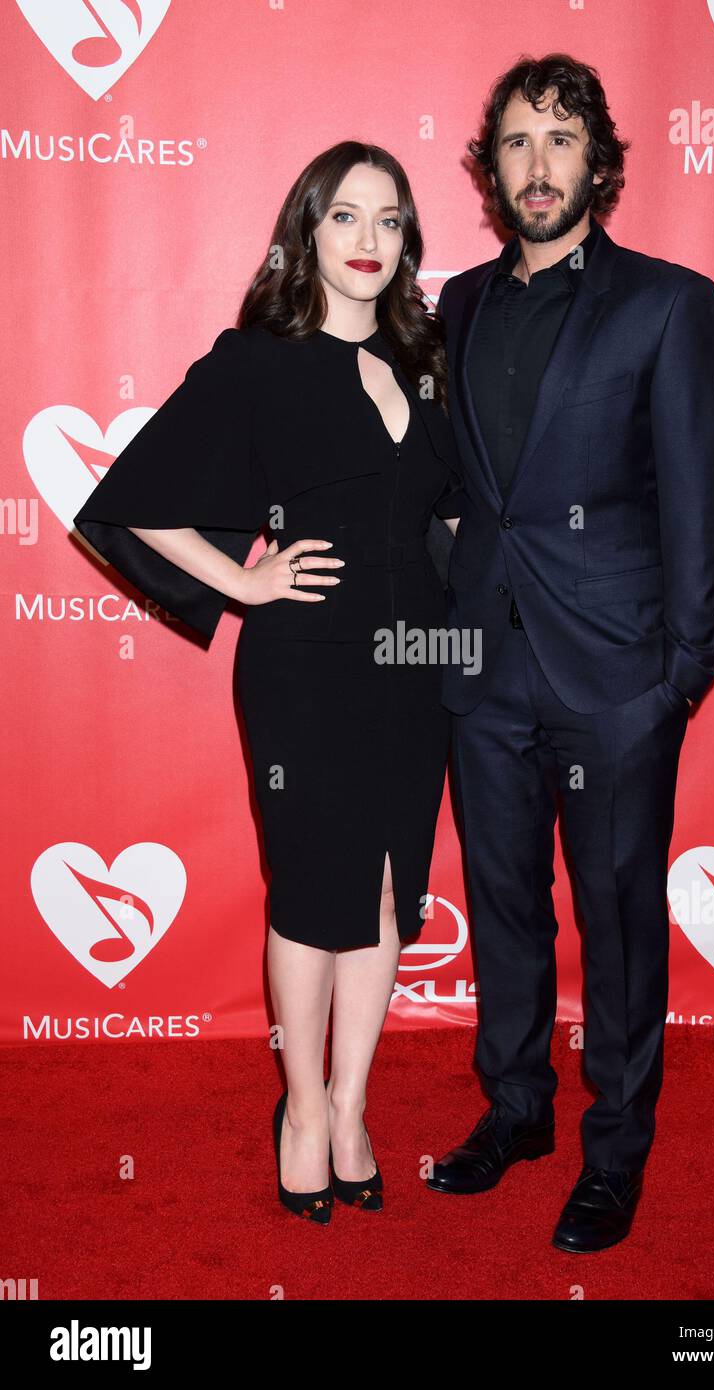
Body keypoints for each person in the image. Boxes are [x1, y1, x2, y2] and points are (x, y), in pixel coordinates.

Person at [73, 143, 463, 1225]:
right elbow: (134, 500)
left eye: (389, 220)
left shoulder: (427, 358)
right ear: (308, 231)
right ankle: (297, 1111)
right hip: (303, 666)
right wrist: (243, 581)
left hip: (416, 660)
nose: (369, 241)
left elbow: (452, 509)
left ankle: (349, 1108)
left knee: (388, 887)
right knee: (310, 892)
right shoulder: (256, 362)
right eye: (346, 217)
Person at [428, 53, 714, 1252]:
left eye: (558, 140)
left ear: (595, 164)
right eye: (513, 142)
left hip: (615, 677)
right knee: (501, 902)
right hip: (484, 666)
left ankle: (616, 1148)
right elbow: (451, 488)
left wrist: (680, 667)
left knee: (614, 917)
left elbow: (695, 497)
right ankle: (515, 1112)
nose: (535, 165)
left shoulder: (668, 300)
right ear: (490, 168)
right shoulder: (455, 303)